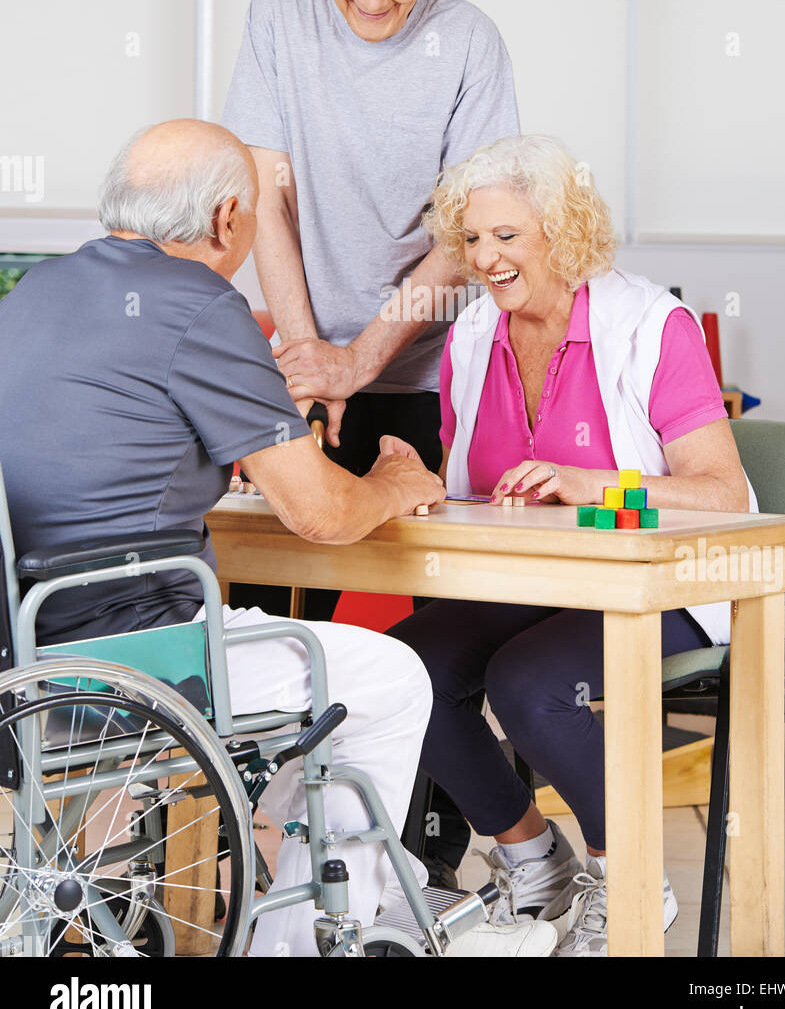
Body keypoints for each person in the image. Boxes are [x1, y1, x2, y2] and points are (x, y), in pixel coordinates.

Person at [0, 119, 555, 957]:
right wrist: (396, 482)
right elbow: (321, 515)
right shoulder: (196, 301)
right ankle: (312, 937)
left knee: (312, 695)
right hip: (139, 655)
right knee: (391, 676)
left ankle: (325, 884)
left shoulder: (33, 292)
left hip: (25, 651)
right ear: (229, 219)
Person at [222, 0, 520, 884]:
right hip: (304, 366)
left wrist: (362, 354)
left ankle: (422, 853)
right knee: (268, 595)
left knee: (418, 609)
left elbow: (464, 229)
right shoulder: (278, 14)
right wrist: (310, 357)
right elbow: (264, 193)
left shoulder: (470, 40)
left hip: (426, 363)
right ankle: (265, 844)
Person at [388, 133, 757, 957]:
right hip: (535, 581)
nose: (486, 257)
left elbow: (720, 492)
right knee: (401, 668)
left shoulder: (648, 325)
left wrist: (596, 483)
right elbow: (468, 489)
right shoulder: (473, 336)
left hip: (664, 583)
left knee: (529, 681)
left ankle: (625, 877)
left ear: (560, 231)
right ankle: (532, 860)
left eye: (507, 236)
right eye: (474, 238)